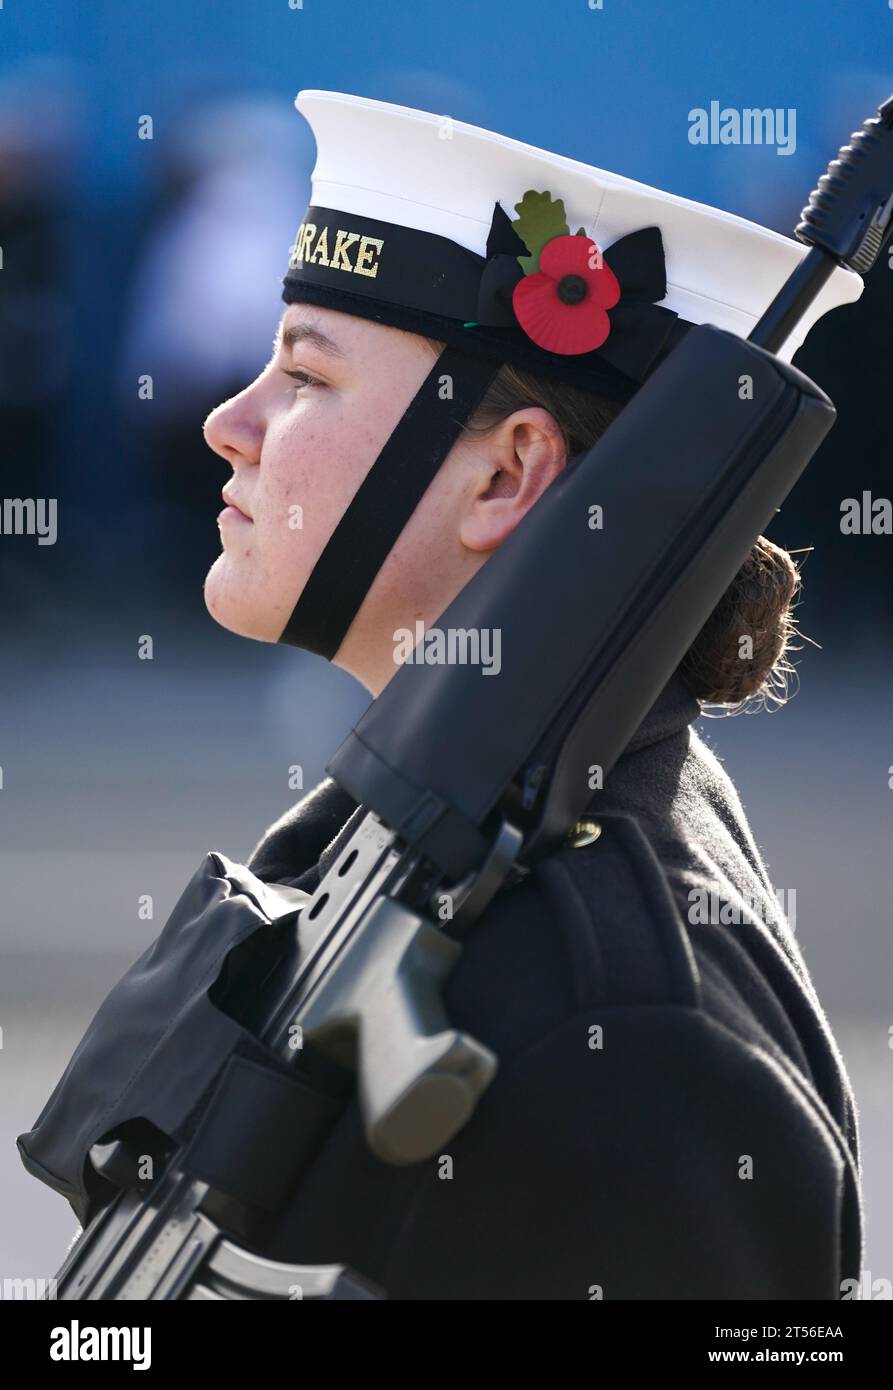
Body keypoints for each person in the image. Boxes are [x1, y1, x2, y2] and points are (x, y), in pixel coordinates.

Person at [24, 91, 865, 1299]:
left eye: (305, 376)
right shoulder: (429, 817)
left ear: (508, 473)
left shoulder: (616, 1032)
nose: (225, 422)